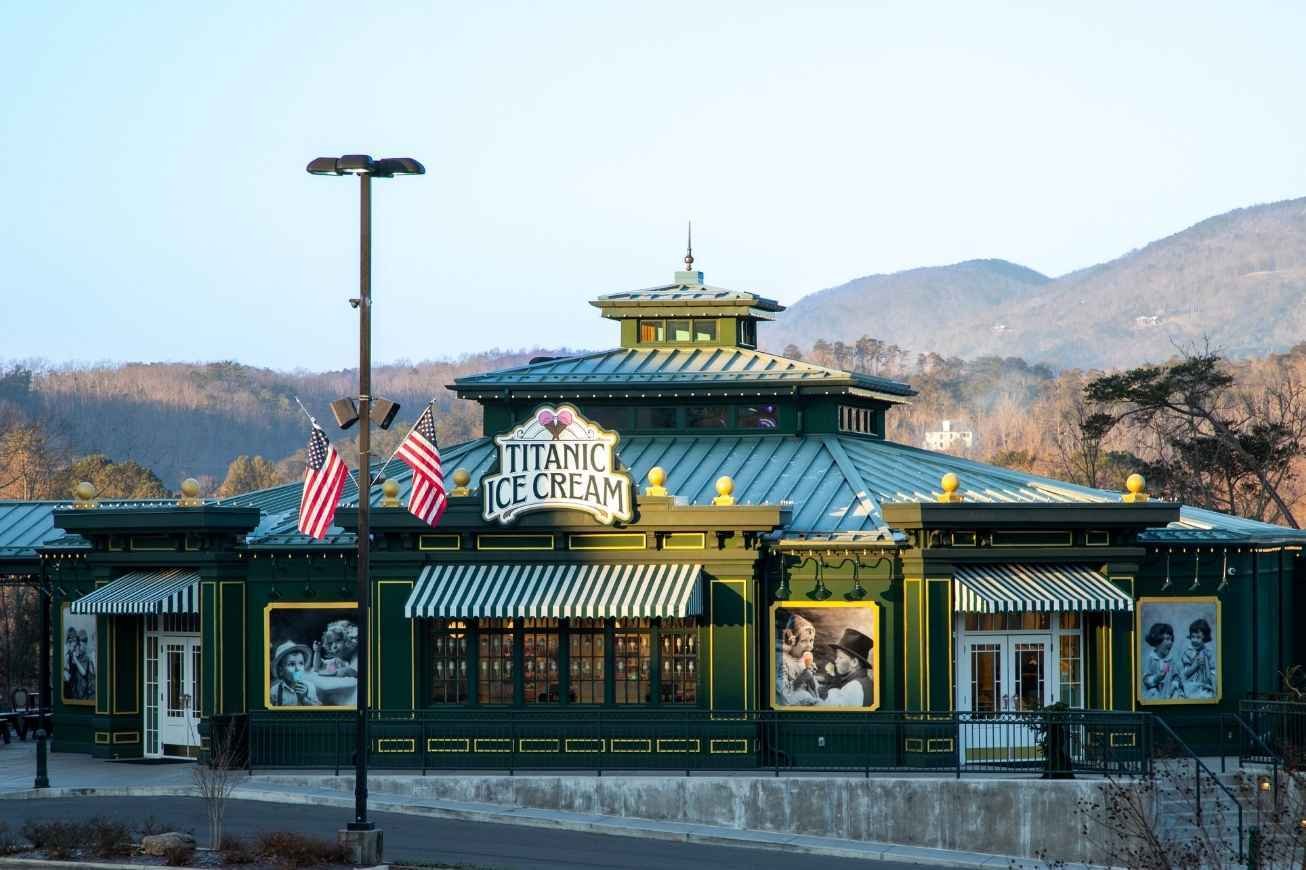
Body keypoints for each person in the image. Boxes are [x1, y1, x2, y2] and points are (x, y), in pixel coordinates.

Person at [819, 628, 874, 707]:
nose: (836, 661)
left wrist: (833, 685)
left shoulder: (854, 687)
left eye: (840, 658)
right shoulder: (867, 682)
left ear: (854, 662)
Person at [776, 613, 820, 705]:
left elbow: (815, 694)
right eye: (804, 641)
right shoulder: (781, 661)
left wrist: (811, 679)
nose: (810, 647)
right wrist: (802, 678)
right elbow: (784, 695)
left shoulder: (802, 658)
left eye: (811, 640)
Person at [270, 641, 320, 707]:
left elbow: (318, 708)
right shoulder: (274, 691)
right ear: (281, 670)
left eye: (301, 663)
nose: (298, 669)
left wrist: (304, 699)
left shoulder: (310, 687)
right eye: (292, 664)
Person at [1141, 622, 1182, 699]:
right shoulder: (1151, 659)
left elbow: (1176, 676)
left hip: (1169, 693)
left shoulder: (1171, 660)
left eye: (1171, 639)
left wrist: (1174, 685)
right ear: (1157, 641)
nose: (1170, 642)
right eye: (1167, 639)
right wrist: (1156, 678)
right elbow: (1146, 680)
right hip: (1154, 694)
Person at [1180, 618, 1215, 698]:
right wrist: (1195, 665)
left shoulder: (1208, 652)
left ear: (1205, 638)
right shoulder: (1188, 653)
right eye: (1193, 637)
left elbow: (1213, 669)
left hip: (1205, 686)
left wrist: (1211, 679)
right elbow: (1185, 673)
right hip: (1192, 686)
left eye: (1198, 637)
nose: (1194, 640)